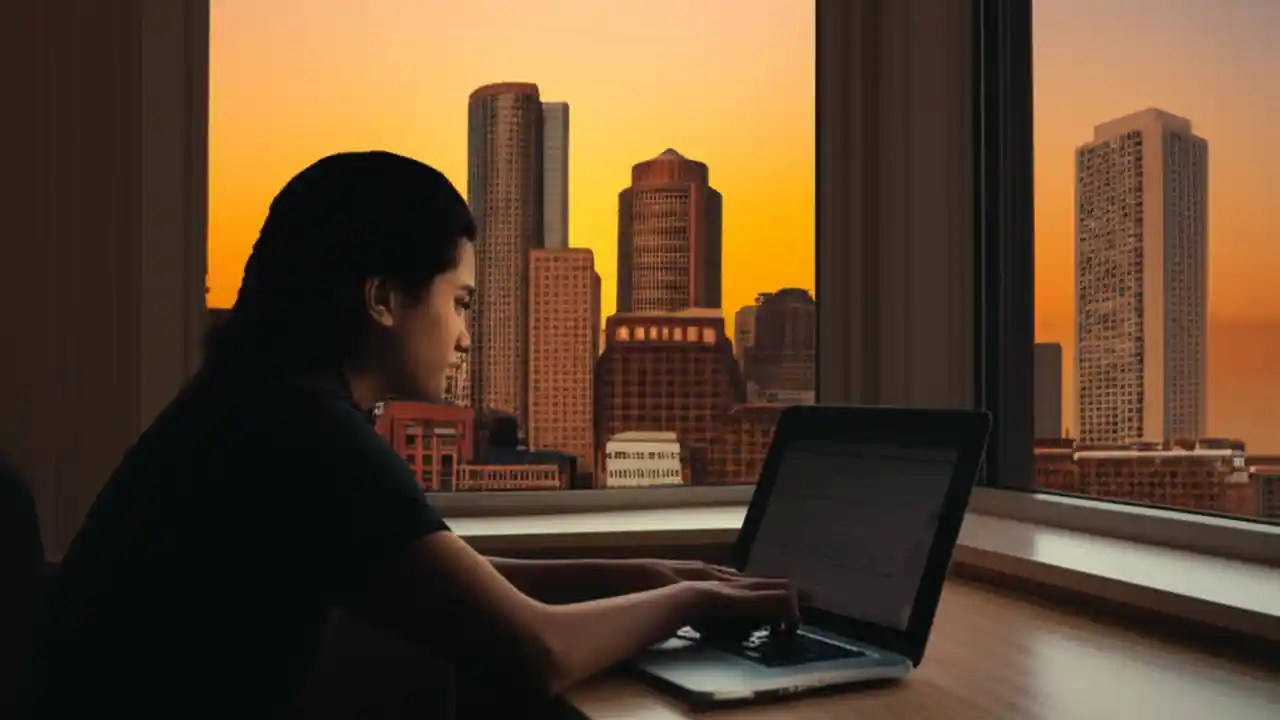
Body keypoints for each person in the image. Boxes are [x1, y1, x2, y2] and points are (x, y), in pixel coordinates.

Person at [30, 151, 797, 717]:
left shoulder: (257, 397)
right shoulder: (307, 433)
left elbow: (451, 574)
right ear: (382, 298)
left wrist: (644, 573)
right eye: (459, 302)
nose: (464, 336)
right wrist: (690, 599)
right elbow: (540, 651)